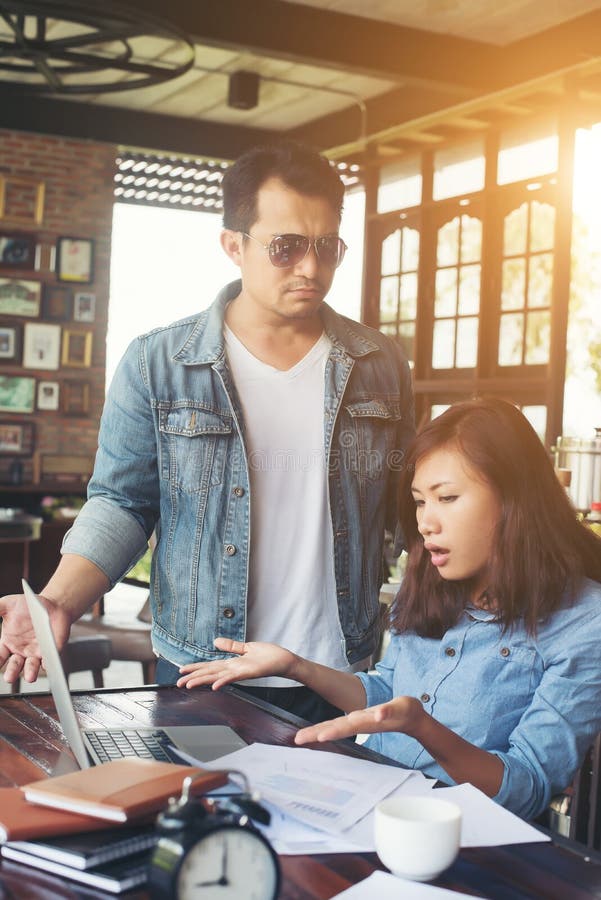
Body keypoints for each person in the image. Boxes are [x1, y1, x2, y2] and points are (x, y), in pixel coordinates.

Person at [0, 140, 414, 722]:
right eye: (286, 247)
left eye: (327, 246)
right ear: (233, 245)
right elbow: (122, 503)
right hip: (201, 667)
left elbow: (409, 505)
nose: (311, 267)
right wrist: (56, 601)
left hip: (338, 669)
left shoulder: (380, 364)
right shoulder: (158, 362)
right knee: (198, 812)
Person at [177, 398, 601, 819]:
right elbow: (389, 691)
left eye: (447, 497)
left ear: (516, 498)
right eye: (419, 501)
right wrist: (295, 667)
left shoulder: (583, 620)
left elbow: (525, 791)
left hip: (461, 835)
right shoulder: (429, 584)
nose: (425, 523)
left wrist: (423, 728)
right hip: (367, 801)